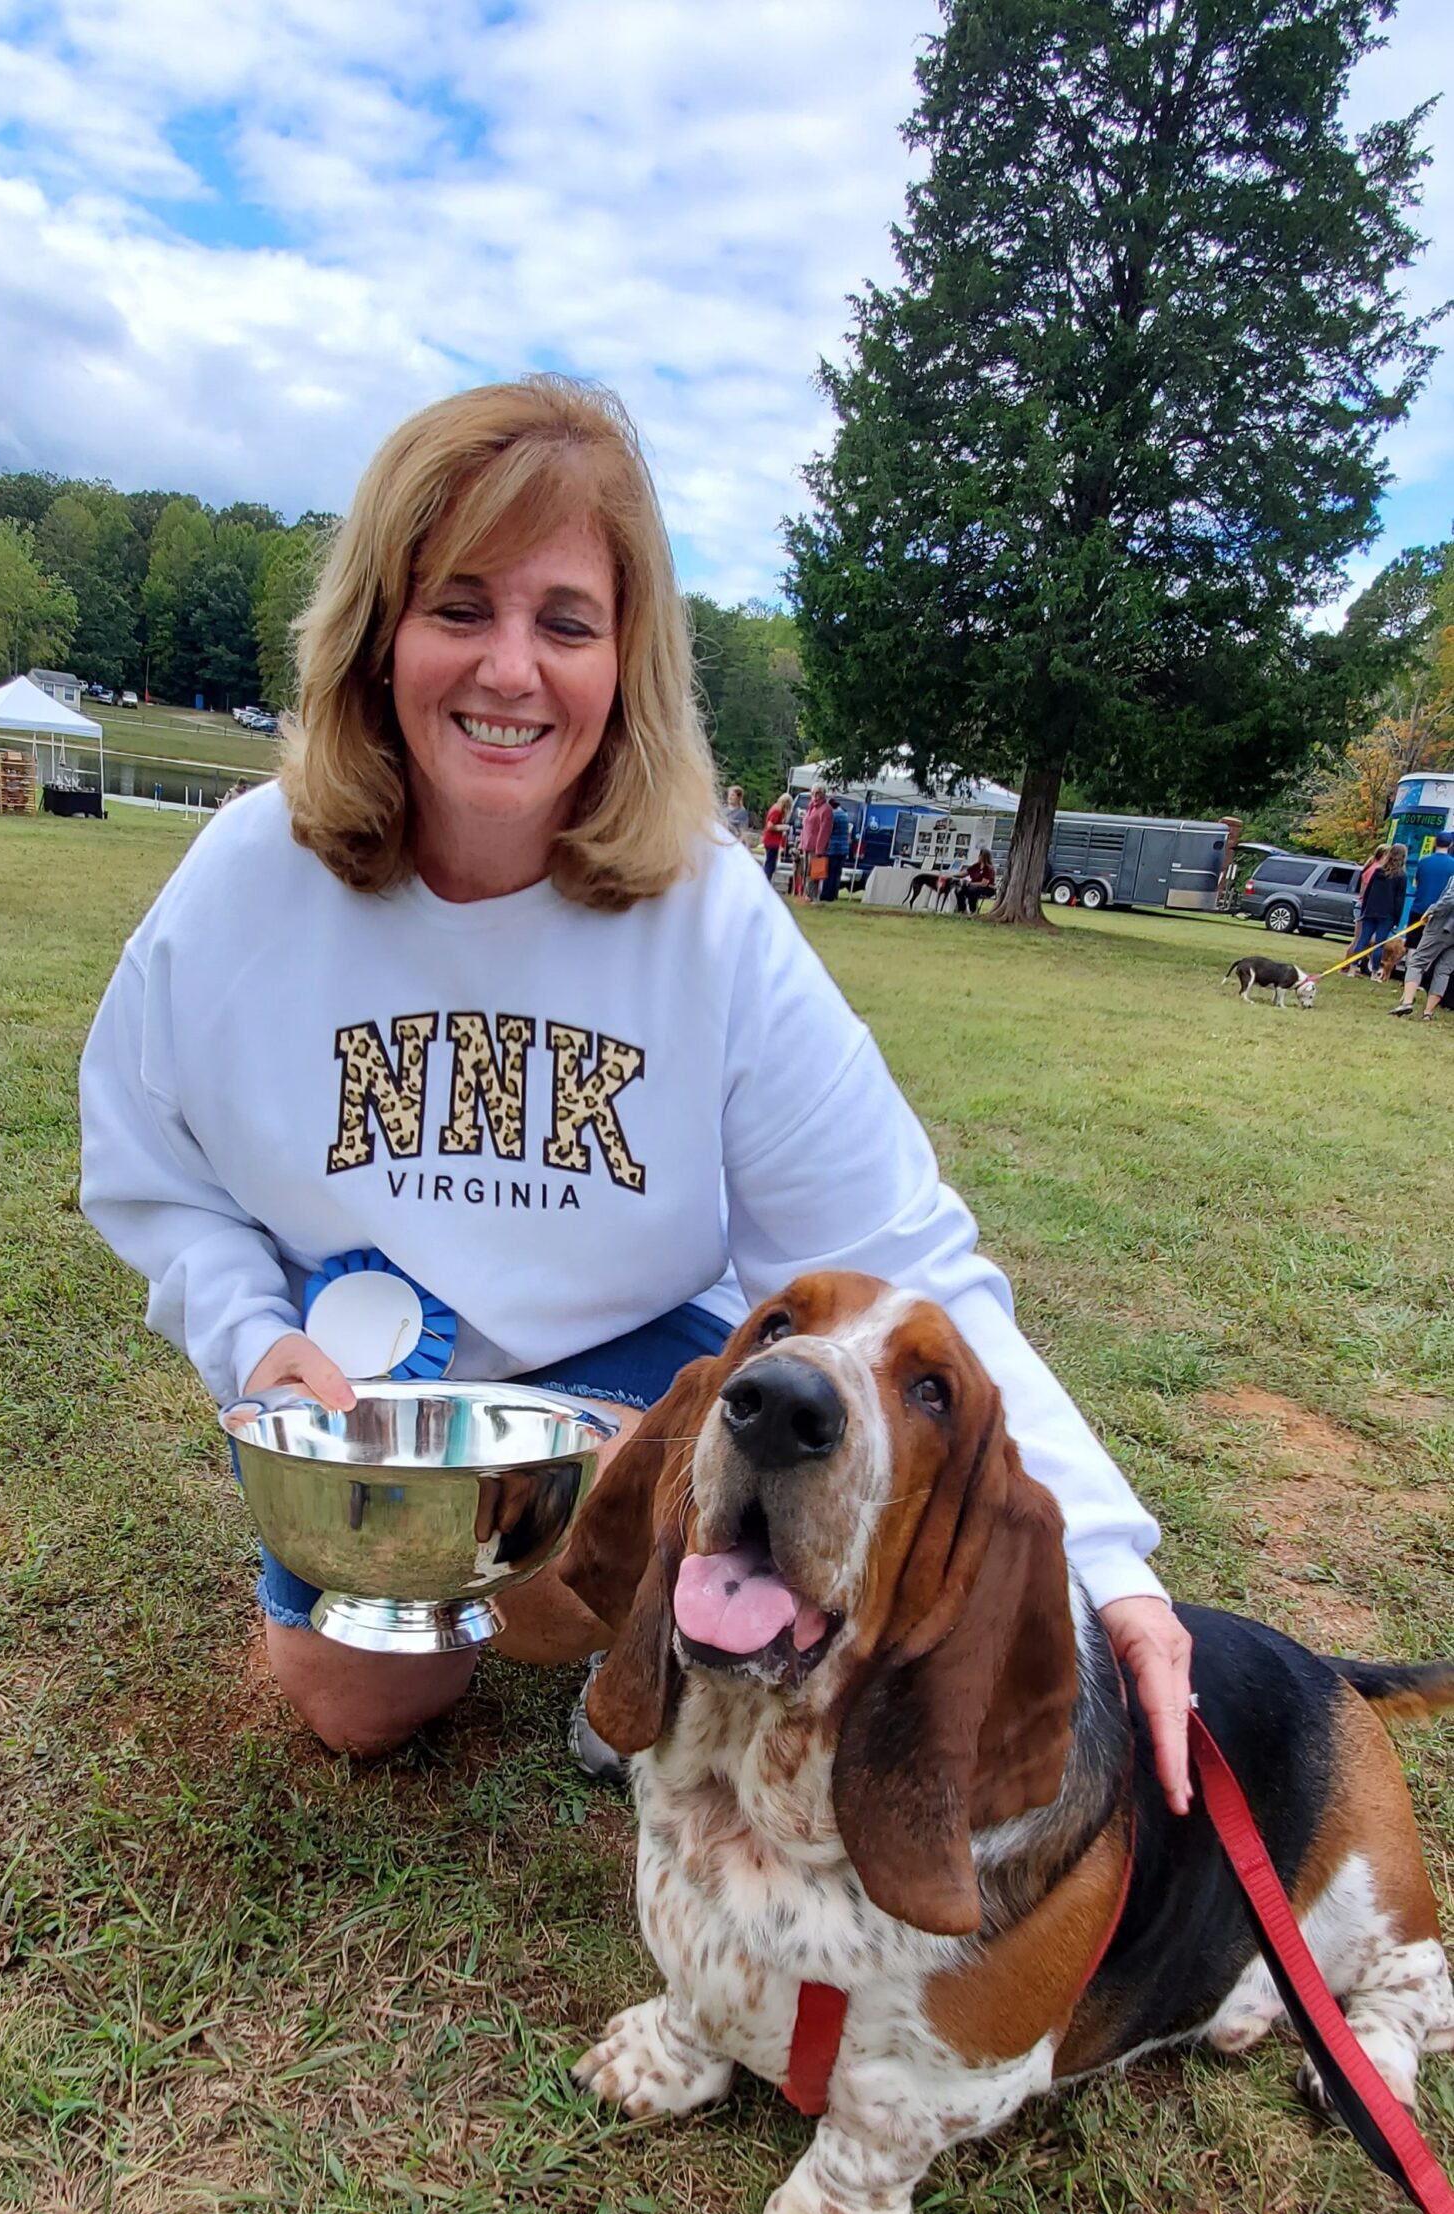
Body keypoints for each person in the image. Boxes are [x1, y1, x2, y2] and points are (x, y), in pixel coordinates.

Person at [77, 373, 1194, 1810]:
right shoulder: (247, 873)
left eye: (564, 621)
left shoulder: (705, 915)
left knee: (603, 1504)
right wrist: (250, 1340)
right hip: (374, 1405)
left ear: (626, 657)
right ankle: (616, 1624)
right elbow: (148, 1166)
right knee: (354, 1705)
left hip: (626, 1391)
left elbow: (899, 1264)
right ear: (377, 632)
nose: (507, 669)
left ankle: (644, 1638)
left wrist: (1111, 1571)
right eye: (457, 607)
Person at [1391, 873, 1454, 1020]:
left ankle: (1407, 1002)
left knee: (1418, 962)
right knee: (1444, 970)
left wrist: (1432, 909)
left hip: (1442, 927)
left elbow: (1451, 898)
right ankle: (1428, 1012)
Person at [1355, 843, 1405, 977]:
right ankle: (1374, 972)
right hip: (1387, 914)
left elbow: (1369, 892)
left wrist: (1364, 910)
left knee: (1362, 941)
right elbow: (1399, 899)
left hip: (1371, 911)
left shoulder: (1378, 871)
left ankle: (1352, 969)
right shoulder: (1401, 876)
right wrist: (1397, 918)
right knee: (1379, 944)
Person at [798, 783, 833, 901]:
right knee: (804, 871)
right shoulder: (810, 807)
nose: (815, 796)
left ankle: (811, 897)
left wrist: (820, 849)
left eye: (817, 793)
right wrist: (801, 843)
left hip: (816, 847)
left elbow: (825, 831)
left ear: (823, 794)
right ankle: (806, 895)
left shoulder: (826, 809)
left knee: (814, 873)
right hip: (806, 845)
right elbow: (805, 826)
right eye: (813, 793)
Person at [820, 798, 850, 900]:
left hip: (833, 848)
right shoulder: (845, 815)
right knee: (837, 873)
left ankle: (826, 895)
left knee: (829, 872)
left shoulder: (833, 816)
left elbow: (828, 830)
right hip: (843, 849)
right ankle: (834, 894)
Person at [759, 793, 789, 885]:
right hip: (772, 841)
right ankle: (766, 882)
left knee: (770, 861)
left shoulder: (775, 808)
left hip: (771, 840)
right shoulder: (777, 811)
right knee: (770, 863)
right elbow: (770, 826)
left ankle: (766, 880)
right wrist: (783, 827)